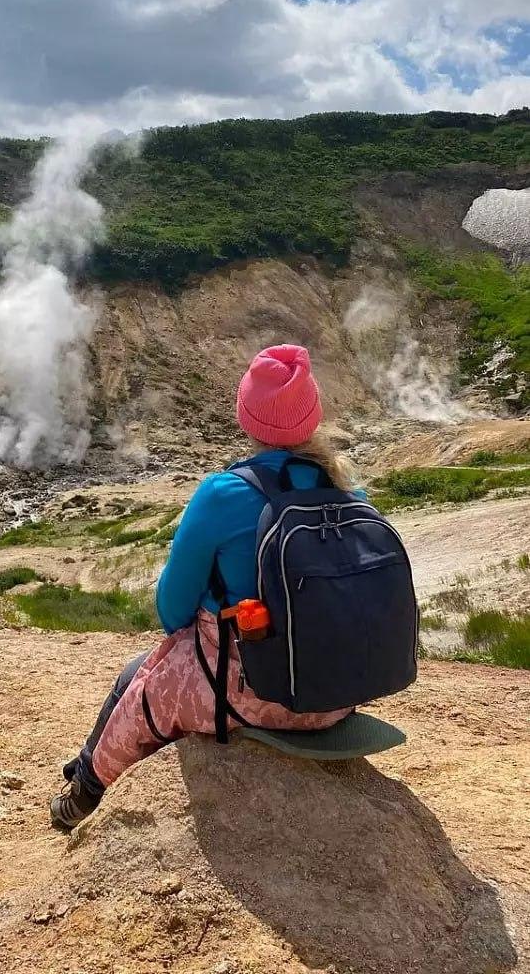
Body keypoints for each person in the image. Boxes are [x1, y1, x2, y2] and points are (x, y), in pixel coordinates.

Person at [51, 343, 363, 831]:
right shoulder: (350, 494)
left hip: (254, 694)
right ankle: (88, 776)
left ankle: (86, 790)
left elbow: (171, 612)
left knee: (137, 681)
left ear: (248, 418)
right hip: (337, 694)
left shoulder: (223, 494)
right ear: (312, 416)